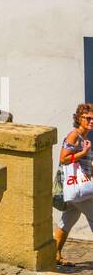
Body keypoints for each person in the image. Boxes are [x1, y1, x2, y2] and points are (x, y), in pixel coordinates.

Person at [54, 102, 93, 265]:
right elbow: (63, 159)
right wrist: (83, 153)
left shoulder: (83, 138)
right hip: (78, 189)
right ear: (79, 118)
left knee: (67, 221)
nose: (91, 121)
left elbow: (82, 163)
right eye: (88, 118)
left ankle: (54, 255)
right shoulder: (74, 136)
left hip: (75, 189)